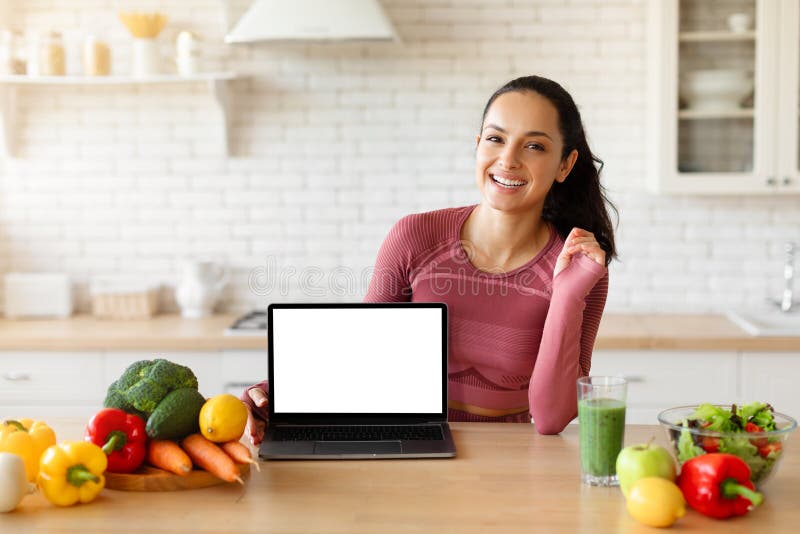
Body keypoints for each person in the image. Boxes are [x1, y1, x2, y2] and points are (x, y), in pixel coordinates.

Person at [242, 75, 616, 444]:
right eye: (495, 139)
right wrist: (275, 394)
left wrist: (567, 295)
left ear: (565, 165)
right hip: (410, 450)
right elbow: (363, 357)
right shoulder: (415, 237)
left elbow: (551, 418)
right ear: (478, 144)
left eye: (534, 146)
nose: (508, 159)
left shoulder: (580, 269)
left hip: (509, 464)